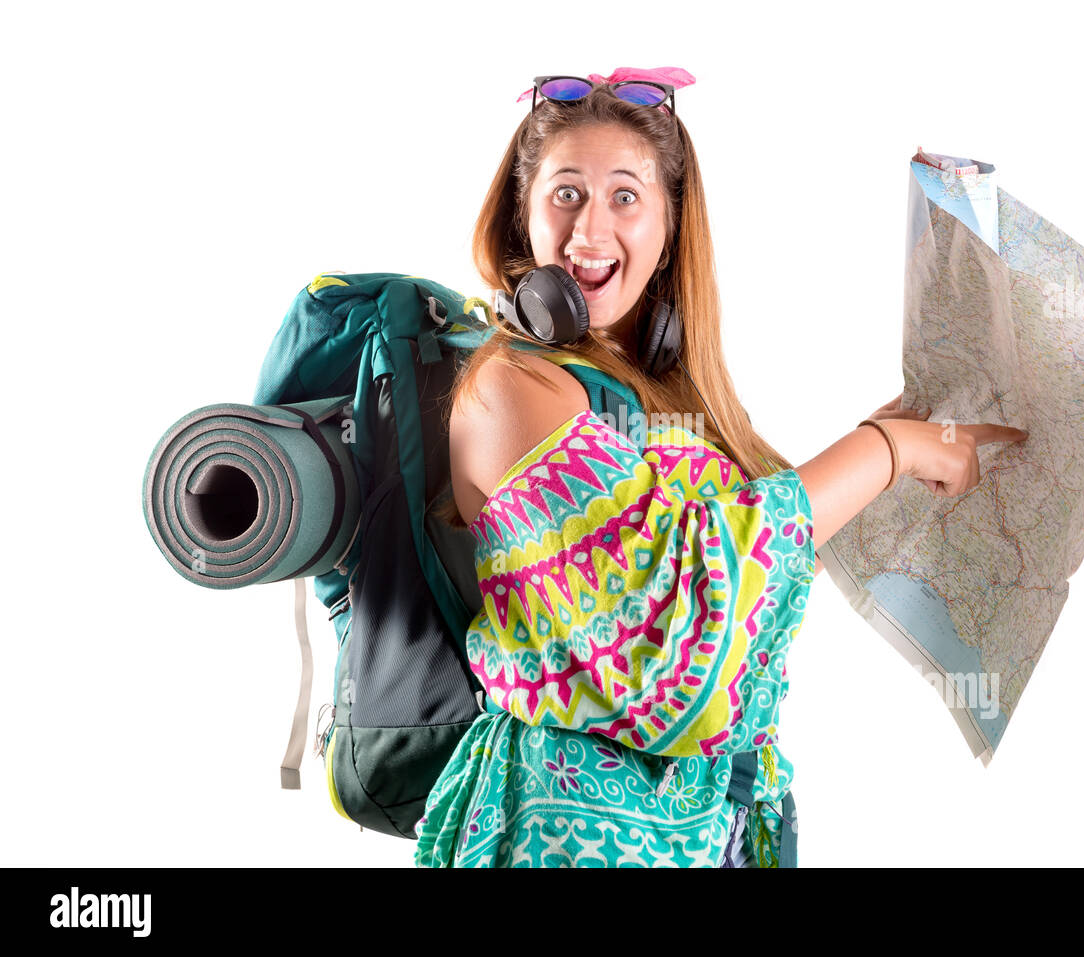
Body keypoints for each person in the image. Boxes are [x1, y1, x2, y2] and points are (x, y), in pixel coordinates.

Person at [414, 68, 1029, 867]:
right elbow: (672, 627)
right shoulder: (510, 390)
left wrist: (902, 429)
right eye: (566, 193)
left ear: (670, 224)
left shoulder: (659, 393)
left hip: (716, 830)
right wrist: (885, 451)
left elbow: (764, 535)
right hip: (565, 834)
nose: (589, 231)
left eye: (625, 196)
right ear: (520, 217)